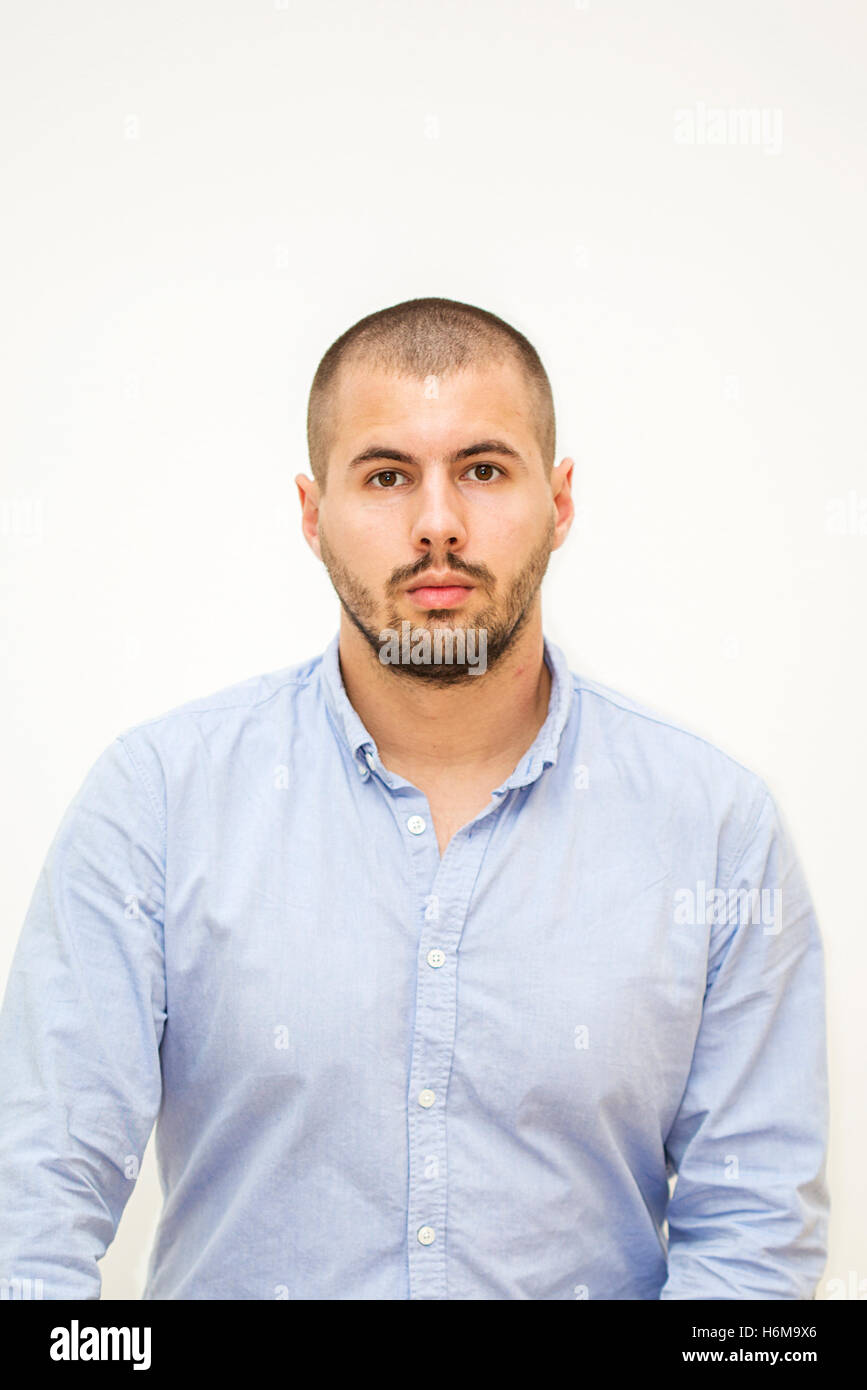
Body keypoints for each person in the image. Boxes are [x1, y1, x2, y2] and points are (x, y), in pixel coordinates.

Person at [0, 297, 829, 1300]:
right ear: (311, 514)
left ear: (560, 501)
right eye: (387, 475)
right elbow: (34, 1198)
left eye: (483, 469)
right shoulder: (157, 805)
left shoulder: (715, 831)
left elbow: (753, 1233)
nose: (438, 524)